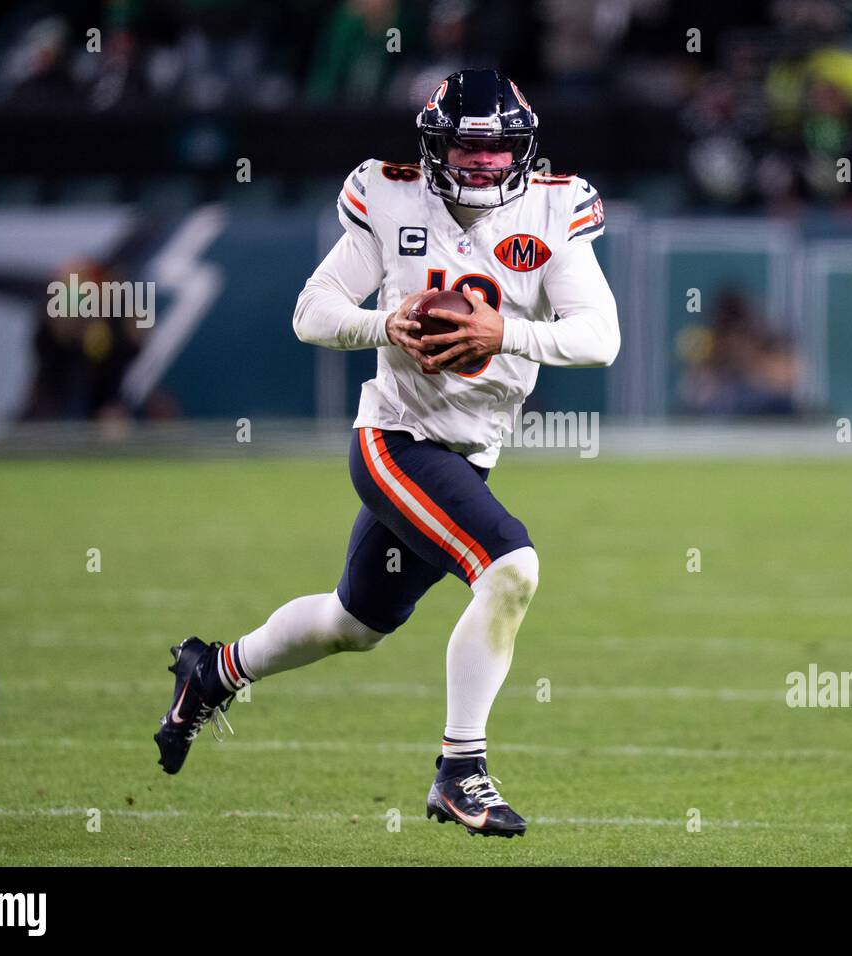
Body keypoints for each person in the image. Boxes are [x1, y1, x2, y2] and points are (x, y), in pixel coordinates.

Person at [153, 69, 620, 838]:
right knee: (512, 569)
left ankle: (212, 671)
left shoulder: (555, 207)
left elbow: (599, 338)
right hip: (394, 441)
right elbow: (313, 311)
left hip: (468, 453)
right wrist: (385, 323)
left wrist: (508, 333)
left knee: (353, 624)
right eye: (465, 151)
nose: (481, 167)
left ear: (523, 151)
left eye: (497, 152)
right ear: (435, 149)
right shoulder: (392, 196)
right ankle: (459, 770)